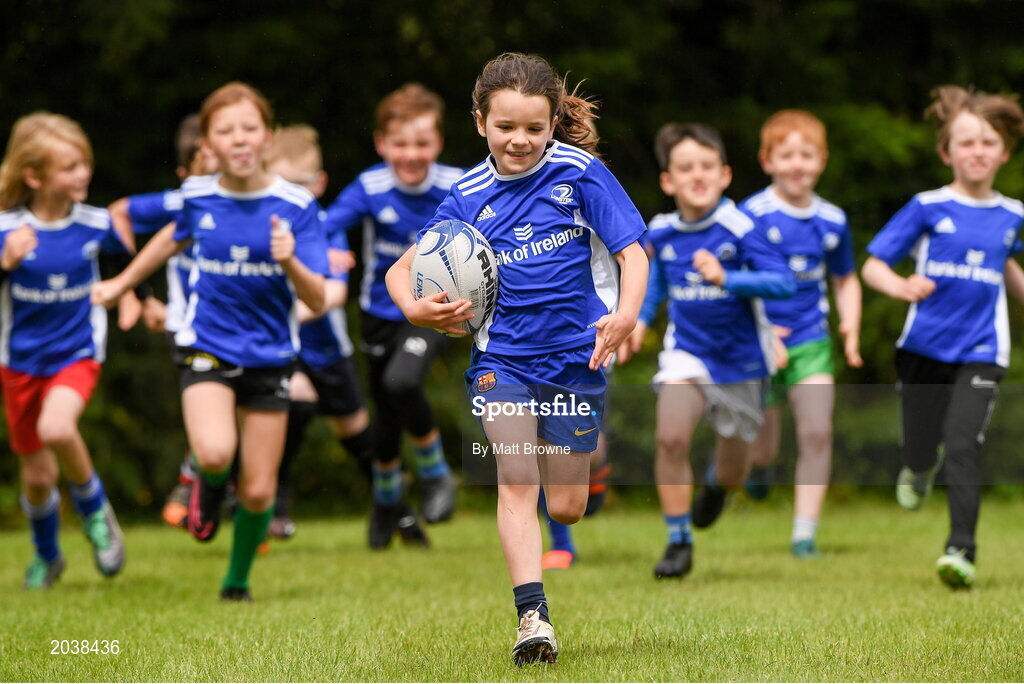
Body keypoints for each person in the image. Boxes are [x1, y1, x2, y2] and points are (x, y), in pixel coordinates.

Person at [386, 52, 648, 666]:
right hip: (501, 357)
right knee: (516, 478)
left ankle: (592, 471)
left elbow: (634, 254)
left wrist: (627, 314)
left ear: (554, 121)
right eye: (506, 127)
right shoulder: (468, 194)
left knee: (566, 506)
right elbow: (403, 271)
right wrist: (416, 310)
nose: (520, 140)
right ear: (480, 123)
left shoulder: (580, 174)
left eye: (534, 127)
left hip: (575, 358)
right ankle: (533, 618)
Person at [92, 82, 329, 601]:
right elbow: (168, 239)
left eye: (250, 128)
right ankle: (207, 483)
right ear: (208, 144)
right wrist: (121, 284)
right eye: (226, 131)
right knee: (217, 452)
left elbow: (315, 299)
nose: (239, 140)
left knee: (261, 489)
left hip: (271, 354)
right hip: (208, 343)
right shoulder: (197, 196)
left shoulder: (297, 205)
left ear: (267, 137)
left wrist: (288, 259)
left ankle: (236, 581)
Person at [862, 85, 1024, 589]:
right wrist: (901, 285)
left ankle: (961, 550)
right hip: (923, 346)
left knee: (963, 442)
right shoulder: (927, 206)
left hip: (982, 349)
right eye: (966, 142)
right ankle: (915, 466)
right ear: (946, 151)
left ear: (1004, 151)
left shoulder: (1014, 215)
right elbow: (873, 266)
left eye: (987, 141)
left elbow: (1008, 264)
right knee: (920, 444)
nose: (977, 151)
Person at [621, 122, 794, 579]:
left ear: (724, 175)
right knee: (671, 436)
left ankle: (718, 487)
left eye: (706, 167)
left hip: (742, 361)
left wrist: (727, 278)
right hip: (688, 352)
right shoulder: (660, 231)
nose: (697, 176)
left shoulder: (740, 226)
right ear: (668, 181)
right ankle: (678, 540)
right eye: (685, 168)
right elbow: (656, 282)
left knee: (736, 468)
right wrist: (639, 319)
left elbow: (782, 281)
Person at [323, 83, 462, 548]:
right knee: (384, 412)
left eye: (422, 142)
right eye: (400, 143)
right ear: (382, 143)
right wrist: (334, 249)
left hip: (437, 311)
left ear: (438, 143)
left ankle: (436, 473)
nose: (411, 153)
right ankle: (386, 504)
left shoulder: (459, 186)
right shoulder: (369, 187)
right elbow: (323, 226)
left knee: (402, 383)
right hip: (379, 312)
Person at [0, 111, 133, 588]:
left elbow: (130, 270)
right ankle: (48, 556)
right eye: (69, 166)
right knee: (36, 477)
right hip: (18, 363)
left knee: (57, 427)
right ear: (34, 175)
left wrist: (138, 299)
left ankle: (97, 514)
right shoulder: (5, 229)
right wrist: (6, 262)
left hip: (77, 354)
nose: (83, 174)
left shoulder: (98, 225)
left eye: (85, 163)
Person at [736, 109, 862, 558]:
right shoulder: (749, 215)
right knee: (763, 447)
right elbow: (732, 283)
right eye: (786, 155)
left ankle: (804, 534)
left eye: (806, 155)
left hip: (812, 340)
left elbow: (845, 279)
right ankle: (759, 472)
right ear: (767, 160)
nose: (797, 164)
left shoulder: (833, 220)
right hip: (761, 342)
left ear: (822, 160)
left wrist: (850, 326)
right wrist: (764, 333)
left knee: (816, 432)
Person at [107, 113, 218, 530]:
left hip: (241, 328)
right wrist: (139, 296)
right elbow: (117, 212)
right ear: (185, 173)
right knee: (219, 413)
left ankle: (198, 485)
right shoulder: (180, 202)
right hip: (189, 327)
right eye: (205, 167)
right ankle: (200, 487)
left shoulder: (249, 200)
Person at [263, 124, 374, 541]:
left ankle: (393, 506)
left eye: (298, 185)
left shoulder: (327, 227)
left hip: (328, 349)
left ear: (319, 184)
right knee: (292, 405)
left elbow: (330, 296)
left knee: (358, 435)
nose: (289, 194)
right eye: (279, 183)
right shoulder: (262, 226)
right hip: (280, 350)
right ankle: (275, 502)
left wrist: (280, 312)